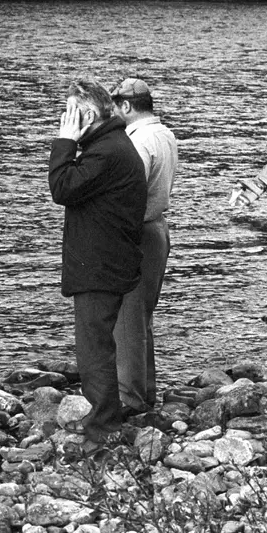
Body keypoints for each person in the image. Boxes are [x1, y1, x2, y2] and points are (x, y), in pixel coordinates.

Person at [48, 79, 147, 458]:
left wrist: (65, 141)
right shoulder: (110, 145)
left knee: (94, 351)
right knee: (97, 346)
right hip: (106, 262)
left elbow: (61, 188)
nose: (64, 118)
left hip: (100, 267)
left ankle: (104, 428)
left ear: (87, 115)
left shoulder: (106, 152)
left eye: (70, 112)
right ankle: (104, 417)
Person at [110, 78, 179, 416]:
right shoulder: (165, 134)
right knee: (142, 316)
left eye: (114, 106)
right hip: (157, 228)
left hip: (136, 232)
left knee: (127, 317)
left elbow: (129, 194)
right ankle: (145, 392)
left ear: (126, 106)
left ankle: (130, 398)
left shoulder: (137, 142)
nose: (112, 112)